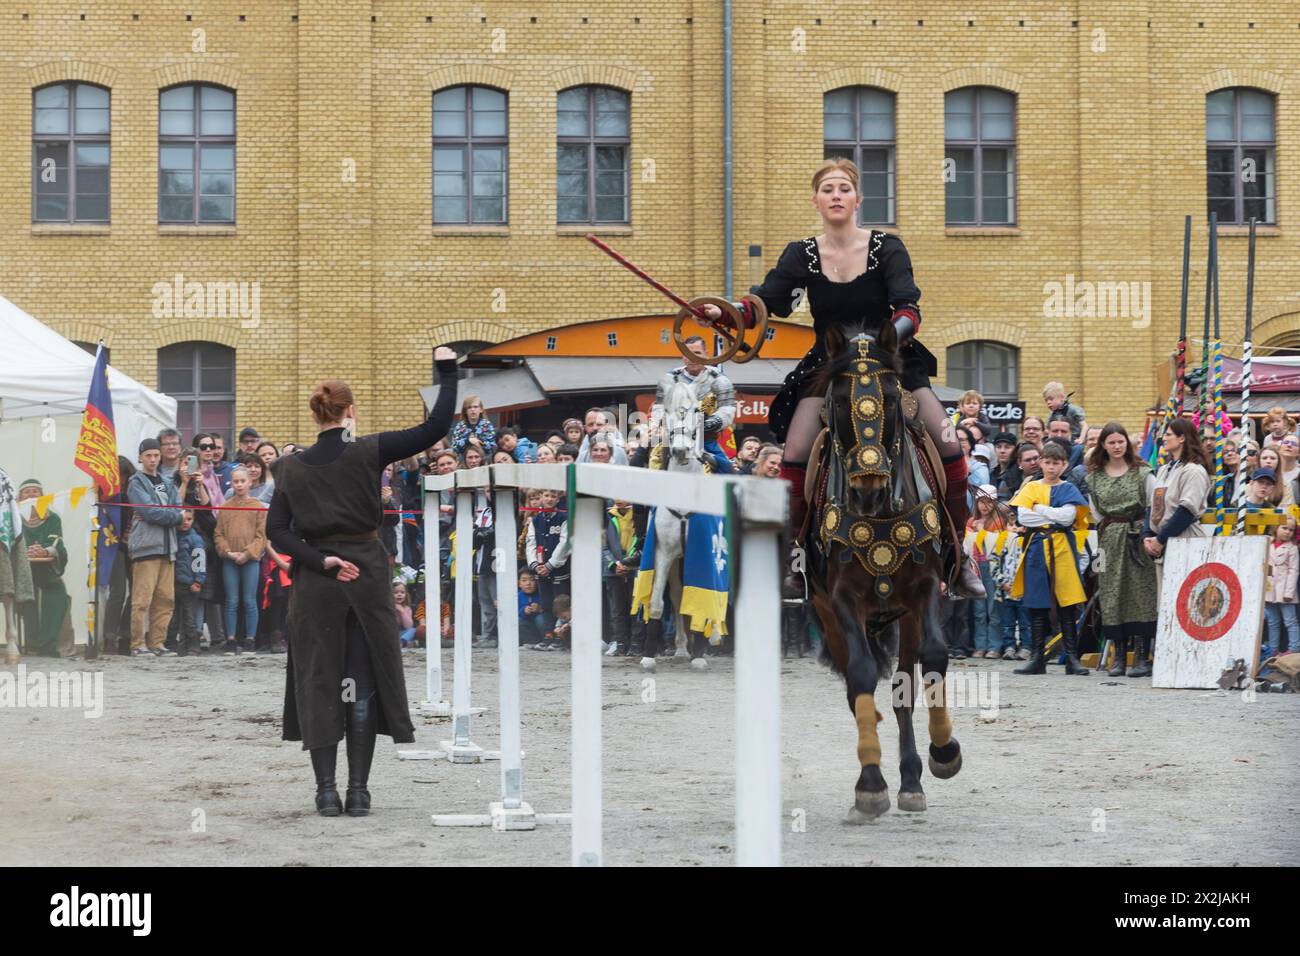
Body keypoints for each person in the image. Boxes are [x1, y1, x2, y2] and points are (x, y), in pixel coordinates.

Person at [708, 158, 984, 595]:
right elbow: (767, 301)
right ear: (816, 200)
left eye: (843, 189)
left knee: (949, 445)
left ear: (857, 198)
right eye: (827, 189)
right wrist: (725, 313)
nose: (835, 196)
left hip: (893, 360)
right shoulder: (801, 253)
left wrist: (886, 340)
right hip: (830, 364)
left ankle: (956, 554)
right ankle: (797, 558)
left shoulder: (888, 248)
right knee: (795, 452)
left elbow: (909, 308)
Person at [267, 346, 460, 817]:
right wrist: (448, 371)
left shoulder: (289, 467)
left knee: (320, 679)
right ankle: (358, 791)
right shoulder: (368, 450)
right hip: (367, 575)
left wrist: (322, 560)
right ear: (350, 411)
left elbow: (276, 532)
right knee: (361, 678)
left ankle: (325, 791)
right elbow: (435, 429)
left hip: (317, 580)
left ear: (315, 414)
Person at [1010, 440, 1091, 676]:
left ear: (1065, 464)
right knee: (1036, 603)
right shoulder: (1031, 487)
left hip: (1062, 547)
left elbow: (1067, 518)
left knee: (1067, 602)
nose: (1051, 467)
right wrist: (1049, 514)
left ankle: (1071, 658)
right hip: (1036, 547)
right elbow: (1024, 517)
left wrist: (1040, 510)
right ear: (1041, 463)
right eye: (1047, 462)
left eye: (1056, 463)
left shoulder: (1069, 489)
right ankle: (1037, 658)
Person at [1085, 422, 1158, 678]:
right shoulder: (1093, 478)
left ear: (1127, 443)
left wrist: (1148, 533)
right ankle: (1118, 655)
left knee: (1140, 592)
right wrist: (1097, 557)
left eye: (1120, 441)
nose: (1116, 446)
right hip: (1108, 539)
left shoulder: (1143, 473)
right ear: (1103, 445)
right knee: (1112, 592)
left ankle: (1141, 656)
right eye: (1111, 442)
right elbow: (1095, 515)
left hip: (1137, 536)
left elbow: (1154, 505)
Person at [1142, 417, 1212, 675]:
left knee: (1188, 601)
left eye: (1169, 434)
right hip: (1164, 542)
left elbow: (1186, 509)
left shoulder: (1193, 470)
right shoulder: (1164, 470)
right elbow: (1152, 507)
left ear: (1182, 438)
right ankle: (1170, 660)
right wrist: (1148, 535)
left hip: (1185, 541)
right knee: (1166, 602)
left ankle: (1192, 663)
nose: (1164, 438)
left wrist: (1161, 539)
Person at [126, 438, 189, 657]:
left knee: (165, 600)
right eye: (148, 456)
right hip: (146, 547)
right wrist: (174, 516)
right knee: (142, 600)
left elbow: (177, 506)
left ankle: (157, 643)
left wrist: (171, 514)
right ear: (140, 458)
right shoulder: (136, 482)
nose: (152, 460)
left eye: (155, 455)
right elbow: (148, 512)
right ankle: (137, 644)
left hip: (168, 547)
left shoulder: (166, 480)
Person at [648, 336, 737, 474]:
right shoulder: (670, 379)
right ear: (683, 356)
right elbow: (659, 408)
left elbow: (728, 410)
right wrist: (659, 423)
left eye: (697, 353)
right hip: (674, 436)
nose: (693, 358)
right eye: (688, 354)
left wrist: (710, 423)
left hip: (705, 439)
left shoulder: (719, 380)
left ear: (705, 353)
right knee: (654, 463)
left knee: (727, 468)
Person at [215, 465, 267, 656]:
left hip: (250, 559)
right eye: (235, 481)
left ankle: (250, 639)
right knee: (231, 601)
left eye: (242, 481)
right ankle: (230, 639)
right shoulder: (225, 507)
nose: (239, 485)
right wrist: (228, 553)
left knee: (250, 600)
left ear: (250, 482)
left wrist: (247, 553)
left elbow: (261, 536)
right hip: (230, 559)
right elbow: (218, 534)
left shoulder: (258, 507)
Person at [16, 478, 71, 658]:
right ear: (19, 497)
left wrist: (44, 551)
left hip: (47, 572)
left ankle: (49, 645)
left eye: (36, 491)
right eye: (27, 491)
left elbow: (57, 543)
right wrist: (25, 551)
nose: (31, 494)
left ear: (42, 496)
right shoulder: (13, 519)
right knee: (27, 598)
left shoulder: (52, 518)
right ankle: (31, 645)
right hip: (21, 573)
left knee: (57, 596)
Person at [967, 485, 1005, 659]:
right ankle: (980, 645)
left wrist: (981, 532)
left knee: (993, 609)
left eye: (989, 502)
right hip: (975, 567)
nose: (984, 506)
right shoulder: (970, 521)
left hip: (991, 566)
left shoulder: (998, 522)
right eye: (981, 502)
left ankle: (995, 646)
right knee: (978, 610)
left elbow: (999, 544)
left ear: (994, 503)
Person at [602, 498, 639, 657]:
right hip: (613, 569)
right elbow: (602, 545)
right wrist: (614, 564)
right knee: (616, 608)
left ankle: (637, 643)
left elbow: (641, 541)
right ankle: (620, 642)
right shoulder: (607, 516)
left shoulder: (639, 516)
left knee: (636, 606)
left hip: (635, 566)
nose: (619, 499)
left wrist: (628, 562)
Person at [1263, 517, 1299, 659]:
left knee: (1290, 621)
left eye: (1291, 530)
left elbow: (1293, 570)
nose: (1287, 532)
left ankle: (1294, 648)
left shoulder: (1292, 548)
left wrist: (1289, 592)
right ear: (1275, 528)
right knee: (1273, 621)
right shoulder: (1267, 544)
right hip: (1270, 590)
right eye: (1284, 528)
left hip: (1285, 591)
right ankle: (1273, 649)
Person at [174, 509, 207, 657]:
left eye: (189, 519)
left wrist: (198, 581)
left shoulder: (196, 539)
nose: (185, 522)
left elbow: (199, 562)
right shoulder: (172, 536)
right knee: (173, 617)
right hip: (174, 583)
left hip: (189, 585)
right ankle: (175, 646)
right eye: (182, 519)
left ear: (193, 520)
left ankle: (193, 646)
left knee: (189, 618)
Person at [516, 569, 550, 647]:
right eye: (524, 580)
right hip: (526, 626)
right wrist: (523, 611)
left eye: (532, 580)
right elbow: (513, 612)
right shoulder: (517, 596)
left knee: (541, 619)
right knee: (517, 620)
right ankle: (529, 641)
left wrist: (540, 608)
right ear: (519, 584)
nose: (528, 583)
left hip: (539, 626)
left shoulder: (542, 593)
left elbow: (549, 609)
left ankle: (546, 640)